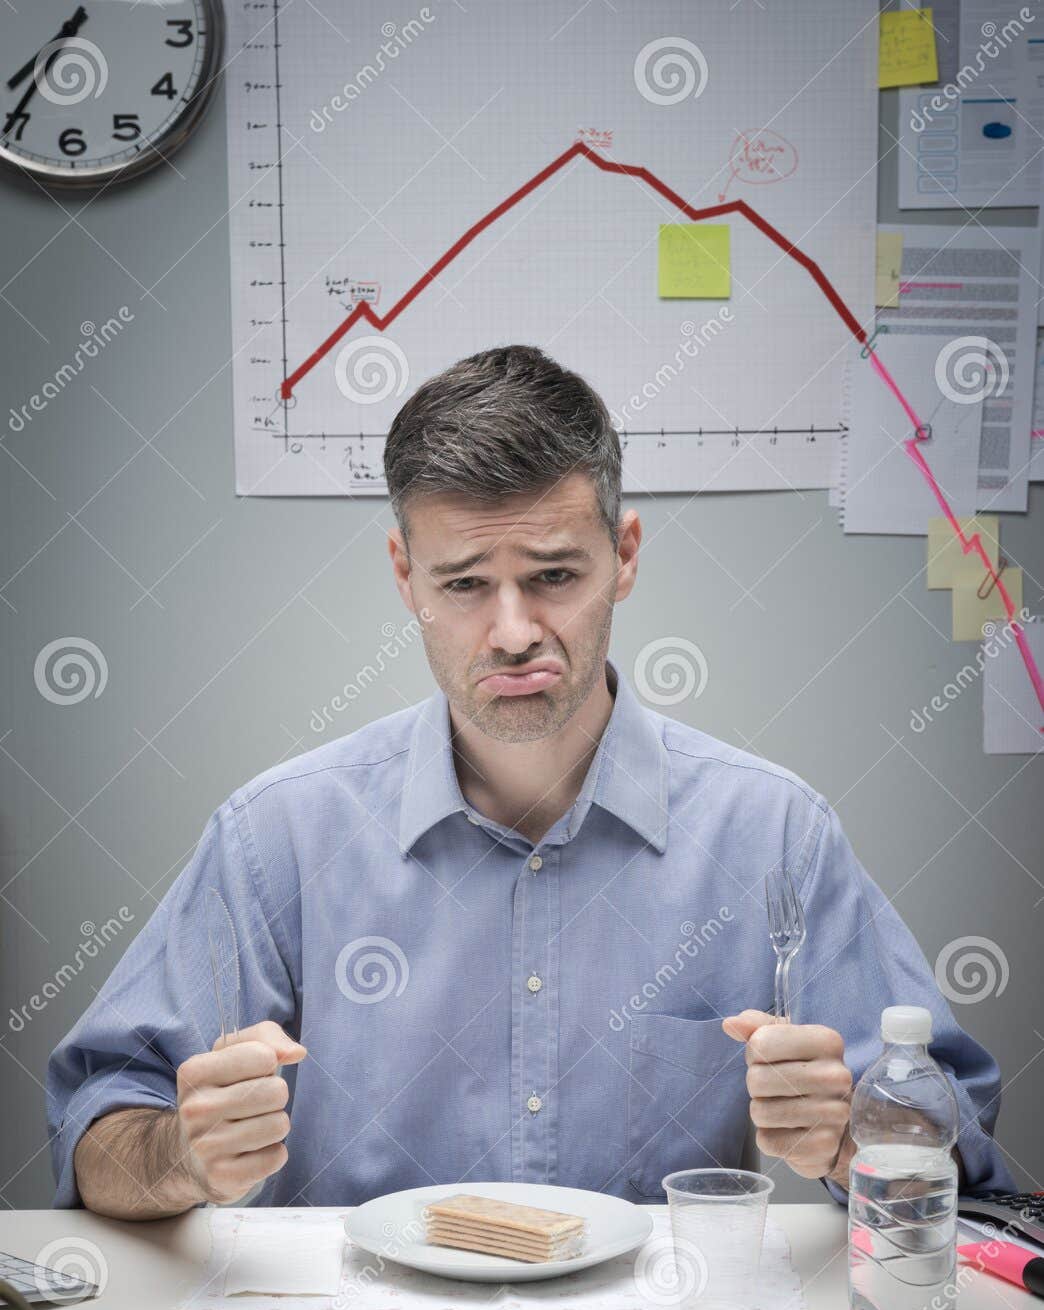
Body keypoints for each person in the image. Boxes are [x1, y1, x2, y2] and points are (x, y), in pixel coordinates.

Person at [48, 345, 1014, 1217]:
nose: (512, 632)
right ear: (405, 575)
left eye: (554, 575)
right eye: (464, 583)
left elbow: (957, 1140)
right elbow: (96, 1131)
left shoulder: (774, 836)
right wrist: (183, 1152)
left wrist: (851, 1141)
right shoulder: (279, 835)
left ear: (624, 555)